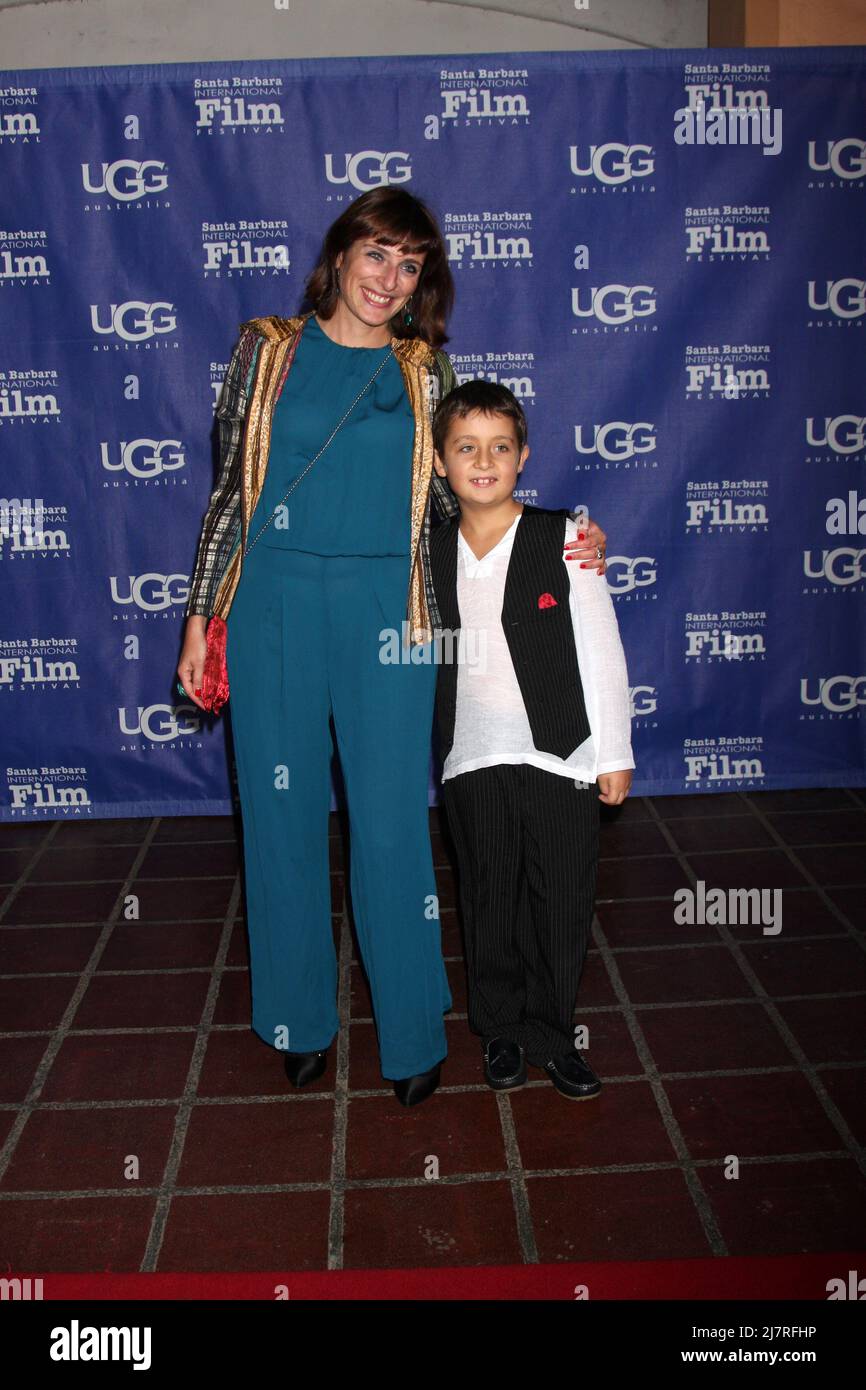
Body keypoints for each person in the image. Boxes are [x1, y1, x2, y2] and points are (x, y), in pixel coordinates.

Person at [176, 188, 609, 1107]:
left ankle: (413, 1030)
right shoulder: (266, 348)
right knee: (282, 825)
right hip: (273, 608)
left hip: (391, 614)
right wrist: (200, 615)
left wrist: (563, 535)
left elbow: (467, 497)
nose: (390, 278)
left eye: (410, 265)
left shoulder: (426, 374)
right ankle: (297, 1021)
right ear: (338, 257)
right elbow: (228, 493)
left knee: (391, 824)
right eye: (377, 254)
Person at [428, 379, 634, 1098]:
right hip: (471, 755)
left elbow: (600, 646)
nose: (483, 461)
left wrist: (613, 753)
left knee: (562, 898)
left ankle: (554, 1033)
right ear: (439, 463)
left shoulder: (565, 538)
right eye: (465, 448)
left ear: (523, 457)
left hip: (561, 753)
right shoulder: (423, 555)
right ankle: (502, 1032)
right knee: (488, 897)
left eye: (499, 447)